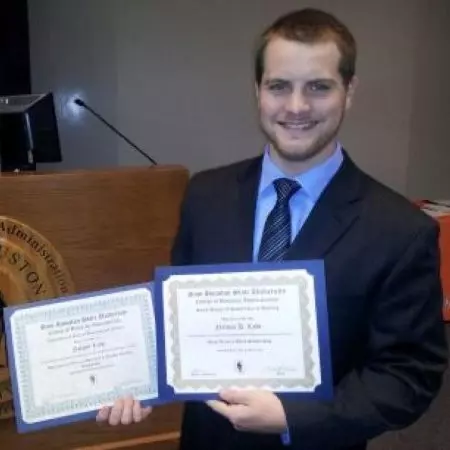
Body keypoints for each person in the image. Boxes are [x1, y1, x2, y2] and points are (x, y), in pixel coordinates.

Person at [97, 8, 448, 450]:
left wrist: (292, 417)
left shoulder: (400, 230)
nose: (297, 106)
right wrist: (138, 379)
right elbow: (179, 319)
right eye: (279, 86)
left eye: (318, 87)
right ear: (257, 91)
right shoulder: (206, 195)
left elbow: (408, 374)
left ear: (349, 91)